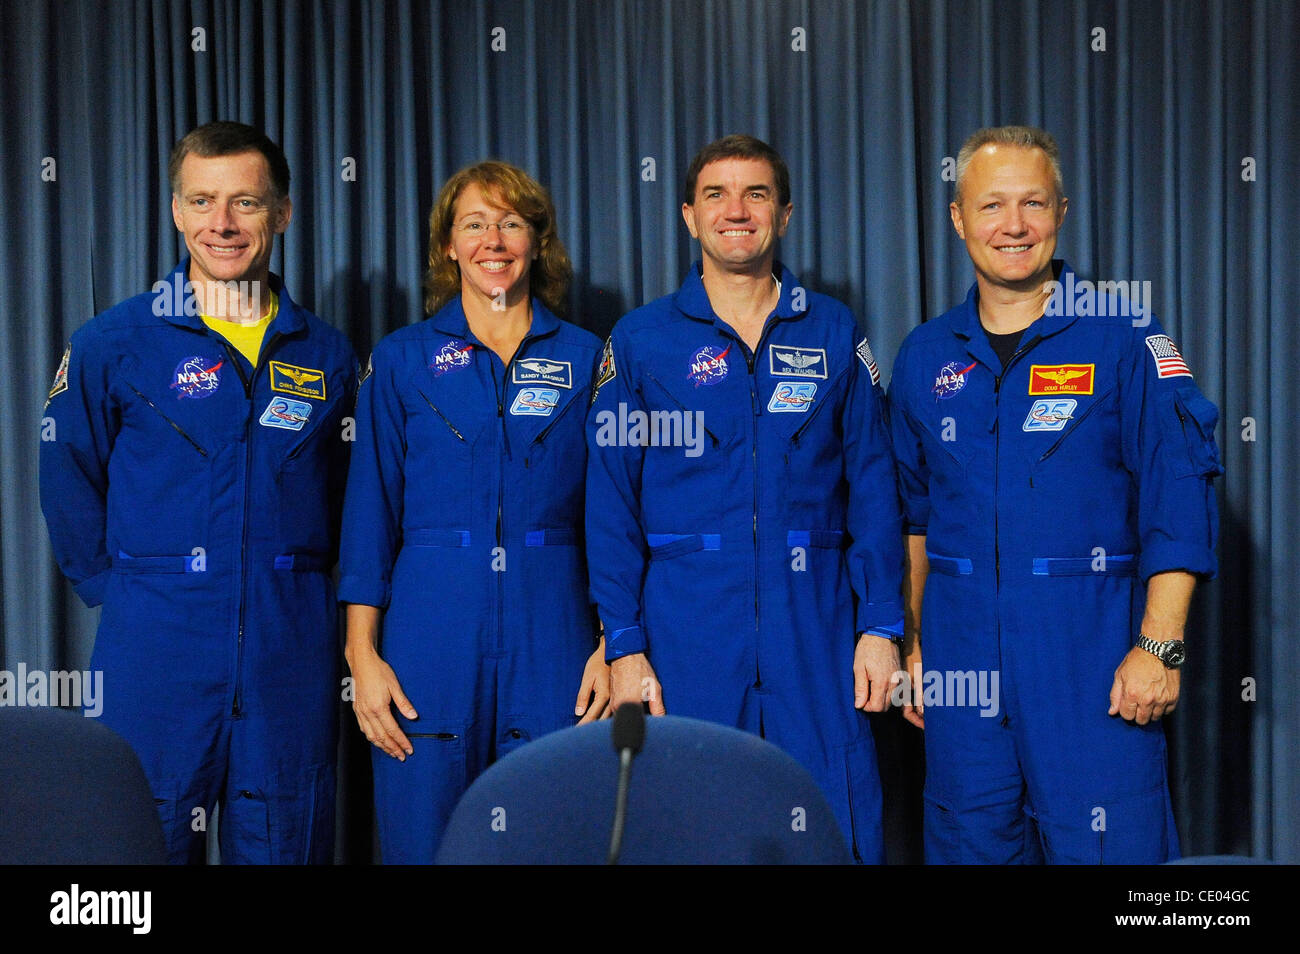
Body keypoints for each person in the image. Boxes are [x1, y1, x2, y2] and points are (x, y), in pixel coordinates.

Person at [887, 125, 1222, 863]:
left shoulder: (1123, 335)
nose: (1013, 226)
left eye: (1032, 203)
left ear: (1061, 212)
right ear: (957, 219)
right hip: (961, 662)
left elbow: (1180, 490)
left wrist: (1158, 646)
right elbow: (911, 518)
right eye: (992, 206)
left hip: (1092, 658)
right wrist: (914, 646)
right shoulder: (924, 356)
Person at [40, 120, 357, 864]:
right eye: (203, 201)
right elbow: (66, 472)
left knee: (289, 841)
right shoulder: (113, 343)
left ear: (282, 213)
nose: (222, 223)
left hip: (291, 650)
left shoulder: (328, 353)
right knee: (136, 853)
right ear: (177, 211)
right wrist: (121, 594)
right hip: (155, 648)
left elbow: (354, 498)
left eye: (245, 203)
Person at [585, 135, 905, 862]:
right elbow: (609, 508)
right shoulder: (639, 342)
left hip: (817, 636)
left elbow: (874, 488)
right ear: (689, 217)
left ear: (784, 214)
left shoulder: (832, 330)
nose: (737, 210)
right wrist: (624, 646)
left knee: (832, 827)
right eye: (717, 195)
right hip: (686, 639)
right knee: (689, 831)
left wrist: (883, 626)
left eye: (756, 194)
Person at [340, 161, 607, 864]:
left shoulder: (589, 360)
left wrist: (615, 639)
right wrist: (361, 654)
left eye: (512, 222)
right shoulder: (400, 361)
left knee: (554, 839)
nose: (495, 238)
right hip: (431, 629)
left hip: (556, 629)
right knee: (423, 841)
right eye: (475, 223)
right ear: (447, 246)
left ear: (537, 241)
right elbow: (370, 516)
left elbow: (615, 515)